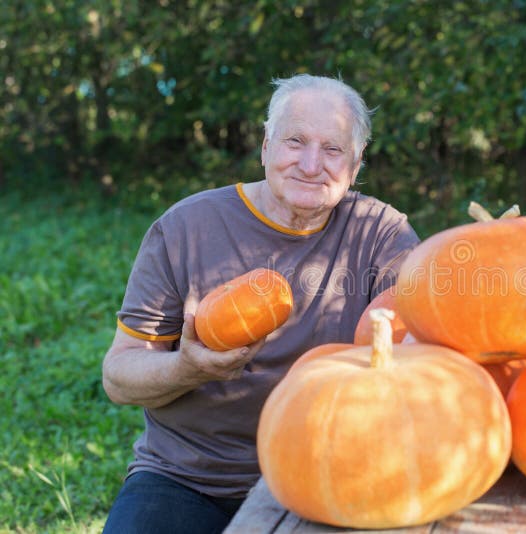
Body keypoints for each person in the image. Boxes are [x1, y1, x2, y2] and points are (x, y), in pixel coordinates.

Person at [101, 74, 419, 534]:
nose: (311, 165)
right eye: (295, 141)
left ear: (356, 162)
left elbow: (429, 334)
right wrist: (189, 368)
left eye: (332, 149)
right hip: (190, 476)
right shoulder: (186, 227)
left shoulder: (381, 233)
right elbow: (119, 377)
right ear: (266, 145)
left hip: (330, 471)